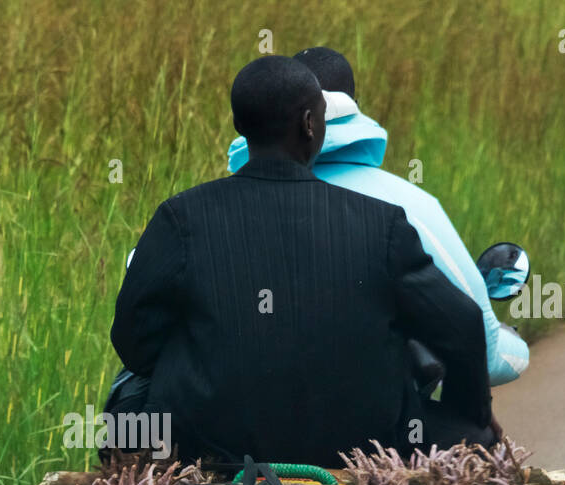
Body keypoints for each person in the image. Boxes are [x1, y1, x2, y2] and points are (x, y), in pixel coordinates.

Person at [108, 55, 495, 466]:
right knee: (476, 435)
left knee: (124, 416)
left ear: (241, 126)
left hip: (208, 453)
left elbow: (132, 342)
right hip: (364, 453)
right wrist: (471, 417)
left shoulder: (179, 218)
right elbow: (464, 327)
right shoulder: (382, 225)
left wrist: (201, 369)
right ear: (310, 124)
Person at [227, 46, 530, 386]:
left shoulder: (214, 214)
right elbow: (482, 349)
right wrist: (516, 348)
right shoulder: (408, 206)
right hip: (371, 425)